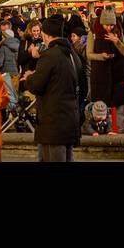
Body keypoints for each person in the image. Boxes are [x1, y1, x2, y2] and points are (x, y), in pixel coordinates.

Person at [19, 14, 82, 162]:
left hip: (54, 122)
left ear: (46, 35)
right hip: (70, 119)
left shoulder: (49, 56)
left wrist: (29, 77)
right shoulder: (72, 54)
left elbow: (36, 85)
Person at [86, 7, 124, 133]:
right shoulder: (93, 33)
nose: (109, 28)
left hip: (118, 73)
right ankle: (103, 129)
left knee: (121, 102)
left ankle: (122, 128)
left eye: (111, 25)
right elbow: (89, 54)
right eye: (106, 25)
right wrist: (101, 56)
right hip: (100, 74)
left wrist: (117, 42)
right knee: (101, 103)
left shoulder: (119, 31)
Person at [0, 20, 20, 111]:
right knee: (15, 97)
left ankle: (9, 119)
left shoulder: (3, 46)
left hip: (6, 74)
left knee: (8, 98)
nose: (2, 34)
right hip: (16, 73)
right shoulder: (18, 44)